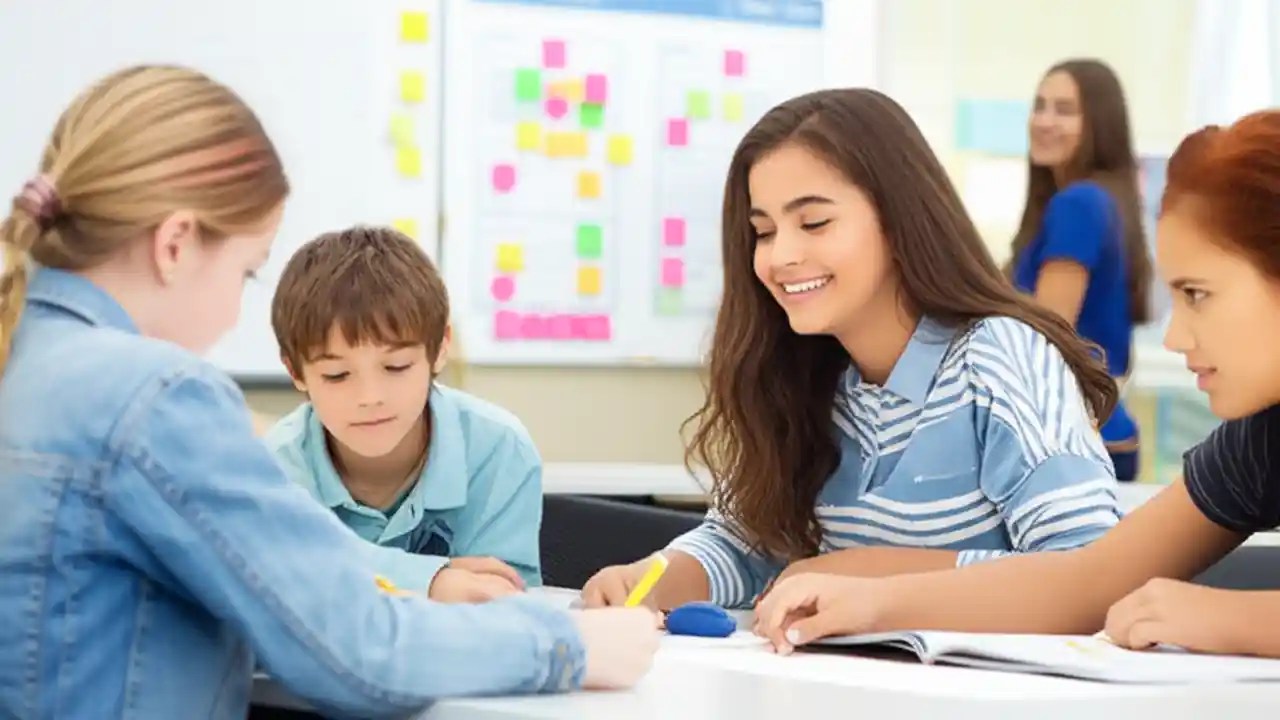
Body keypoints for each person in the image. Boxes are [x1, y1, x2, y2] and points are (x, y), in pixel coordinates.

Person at [0, 64, 656, 720]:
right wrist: (569, 645)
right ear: (175, 244)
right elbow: (359, 650)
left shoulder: (21, 359)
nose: (234, 311)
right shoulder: (154, 397)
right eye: (247, 270)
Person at [754, 109, 1280, 660]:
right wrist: (874, 603)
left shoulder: (1002, 349)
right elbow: (1088, 581)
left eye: (1197, 294)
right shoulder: (1258, 443)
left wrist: (1232, 617)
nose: (1174, 336)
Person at [581, 88, 1123, 611]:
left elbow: (1088, 572)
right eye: (764, 232)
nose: (781, 256)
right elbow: (744, 546)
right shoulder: (803, 372)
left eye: (814, 222)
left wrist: (859, 574)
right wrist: (650, 579)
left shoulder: (1001, 357)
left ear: (899, 219)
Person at [266, 227, 543, 600]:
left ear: (440, 349)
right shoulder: (274, 467)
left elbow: (501, 601)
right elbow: (276, 581)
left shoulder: (500, 450)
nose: (370, 397)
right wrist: (431, 580)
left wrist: (343, 573)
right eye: (337, 375)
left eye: (396, 367)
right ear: (296, 372)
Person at [1010, 59, 1153, 481]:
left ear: (1099, 125)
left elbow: (1045, 337)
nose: (1043, 120)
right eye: (1040, 105)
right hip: (1102, 431)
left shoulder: (1079, 205)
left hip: (1075, 440)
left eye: (1065, 110)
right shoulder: (1105, 201)